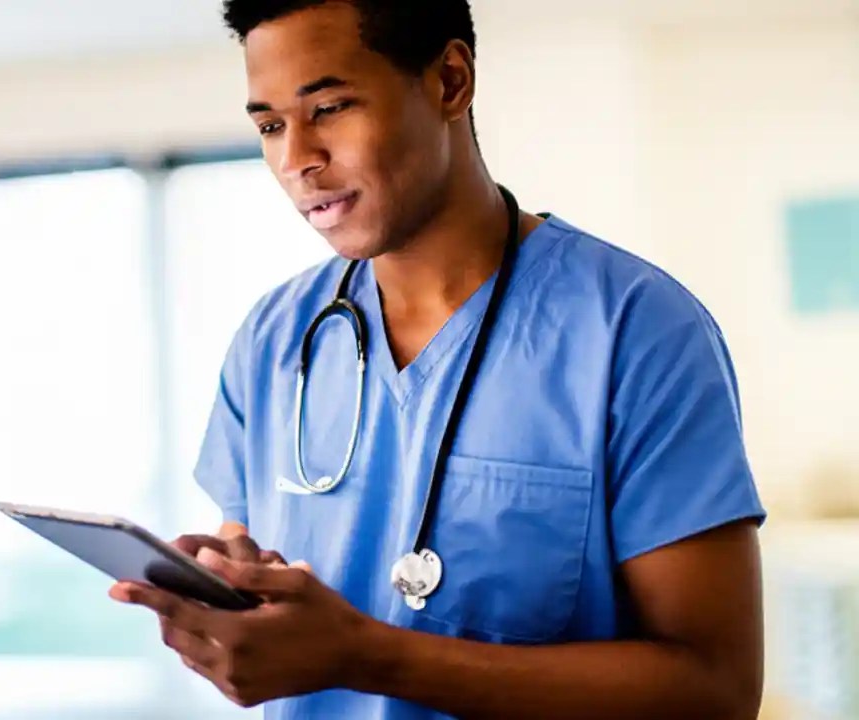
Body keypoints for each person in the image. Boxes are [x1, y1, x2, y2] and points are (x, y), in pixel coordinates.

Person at [109, 1, 766, 718]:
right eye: (270, 125)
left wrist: (368, 655)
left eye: (328, 107)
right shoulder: (274, 339)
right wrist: (227, 587)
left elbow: (715, 690)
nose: (297, 160)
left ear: (451, 81)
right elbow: (251, 545)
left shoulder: (636, 330)